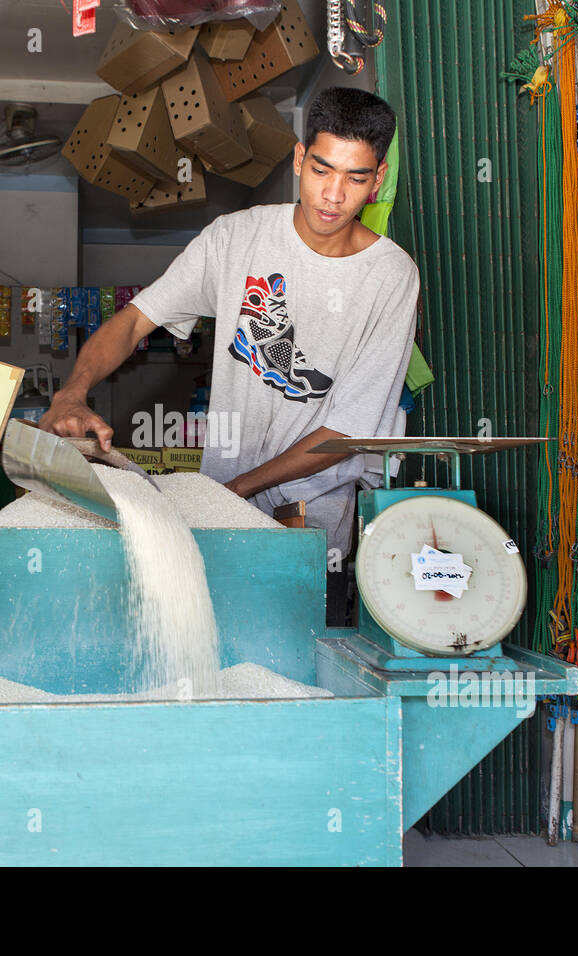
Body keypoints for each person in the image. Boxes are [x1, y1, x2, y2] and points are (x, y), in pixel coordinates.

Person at [41, 87, 420, 610]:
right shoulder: (235, 239)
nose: (333, 195)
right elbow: (132, 322)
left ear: (377, 181)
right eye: (321, 170)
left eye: (355, 178)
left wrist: (238, 488)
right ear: (298, 159)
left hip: (310, 531)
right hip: (217, 517)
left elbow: (347, 432)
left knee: (296, 655)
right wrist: (72, 393)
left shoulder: (391, 277)